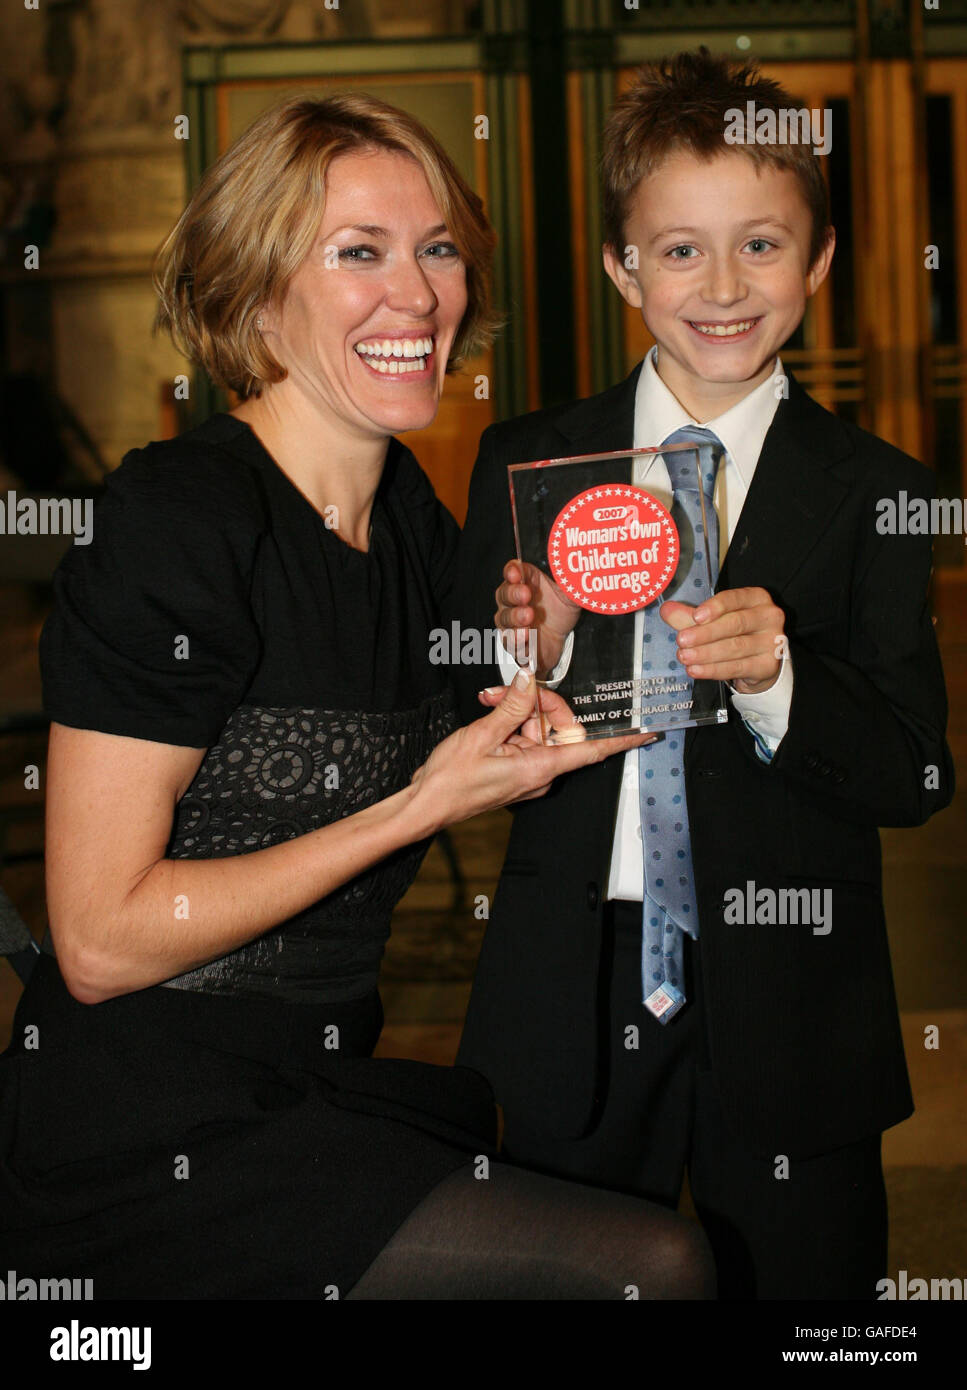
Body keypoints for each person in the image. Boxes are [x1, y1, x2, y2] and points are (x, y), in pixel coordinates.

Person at [0, 92, 716, 1301]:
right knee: (648, 1266)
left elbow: (475, 726)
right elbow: (99, 941)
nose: (418, 293)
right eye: (358, 252)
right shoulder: (180, 520)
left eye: (437, 247)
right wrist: (417, 807)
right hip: (138, 1125)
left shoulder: (409, 530)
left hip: (312, 1078)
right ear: (252, 291)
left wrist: (543, 653)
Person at [450, 50, 954, 1300]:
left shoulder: (876, 488)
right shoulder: (534, 464)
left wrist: (781, 678)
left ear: (821, 259)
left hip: (794, 1001)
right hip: (573, 987)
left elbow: (917, 769)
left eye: (762, 247)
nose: (722, 288)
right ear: (624, 267)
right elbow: (450, 716)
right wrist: (527, 651)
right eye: (678, 250)